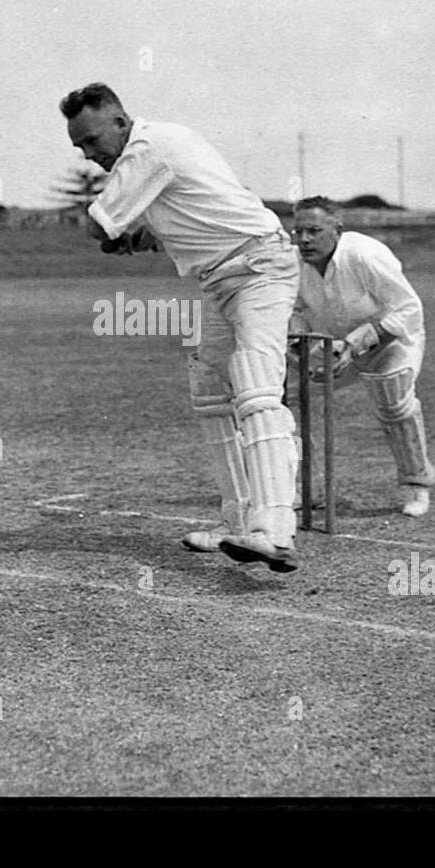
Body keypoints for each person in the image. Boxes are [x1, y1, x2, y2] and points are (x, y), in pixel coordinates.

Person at [62, 82, 303, 572]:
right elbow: (183, 219)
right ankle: (239, 522)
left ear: (120, 121)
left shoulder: (150, 147)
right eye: (80, 147)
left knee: (256, 391)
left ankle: (275, 530)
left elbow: (97, 224)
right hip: (222, 278)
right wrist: (142, 237)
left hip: (260, 268)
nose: (90, 155)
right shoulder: (151, 157)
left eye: (92, 140)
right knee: (210, 390)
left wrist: (110, 230)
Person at [289, 196, 435, 516]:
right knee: (286, 397)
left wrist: (355, 344)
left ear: (337, 230)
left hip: (391, 339)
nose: (304, 239)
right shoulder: (294, 262)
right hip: (332, 345)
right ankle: (308, 487)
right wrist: (302, 350)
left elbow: (408, 309)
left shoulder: (364, 254)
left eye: (314, 230)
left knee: (393, 400)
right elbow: (297, 310)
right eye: (298, 231)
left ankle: (416, 485)